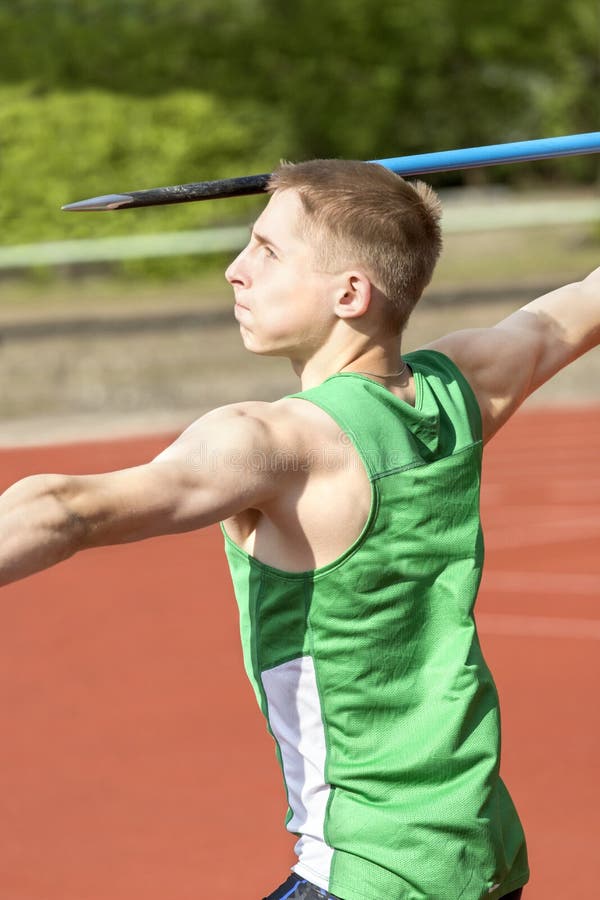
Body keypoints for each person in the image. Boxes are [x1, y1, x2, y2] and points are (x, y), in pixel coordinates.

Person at [1, 159, 598, 900]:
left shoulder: (275, 442)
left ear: (350, 293)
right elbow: (582, 300)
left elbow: (65, 508)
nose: (234, 270)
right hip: (478, 852)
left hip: (369, 872)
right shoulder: (463, 386)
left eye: (267, 250)